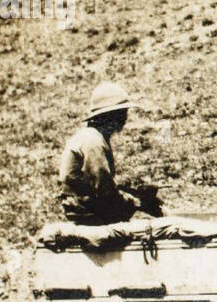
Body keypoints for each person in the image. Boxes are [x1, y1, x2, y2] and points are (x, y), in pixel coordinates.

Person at [58, 81, 153, 225]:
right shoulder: (93, 142)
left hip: (87, 207)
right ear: (110, 117)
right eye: (121, 114)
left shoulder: (92, 137)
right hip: (87, 212)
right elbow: (104, 190)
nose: (125, 119)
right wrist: (135, 202)